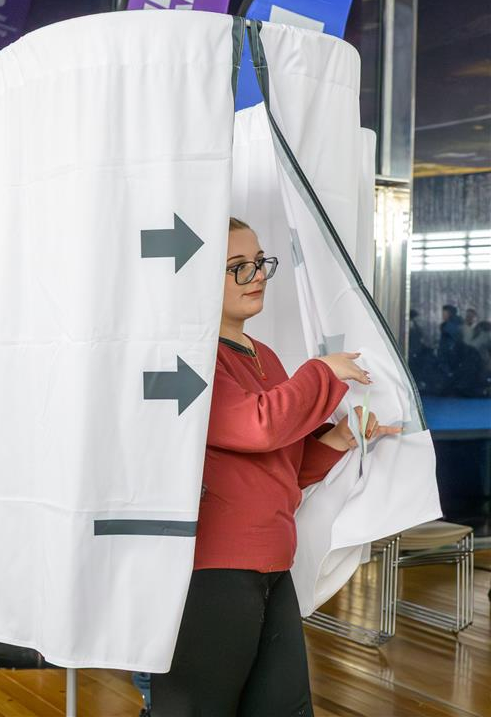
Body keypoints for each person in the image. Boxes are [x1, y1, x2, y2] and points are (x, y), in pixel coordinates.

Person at [149, 217, 400, 717]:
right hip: (213, 570)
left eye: (259, 262)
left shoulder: (262, 354)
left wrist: (340, 437)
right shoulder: (189, 356)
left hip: (271, 562)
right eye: (237, 268)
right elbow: (257, 426)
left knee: (284, 707)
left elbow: (284, 464)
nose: (257, 275)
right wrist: (321, 372)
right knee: (197, 708)